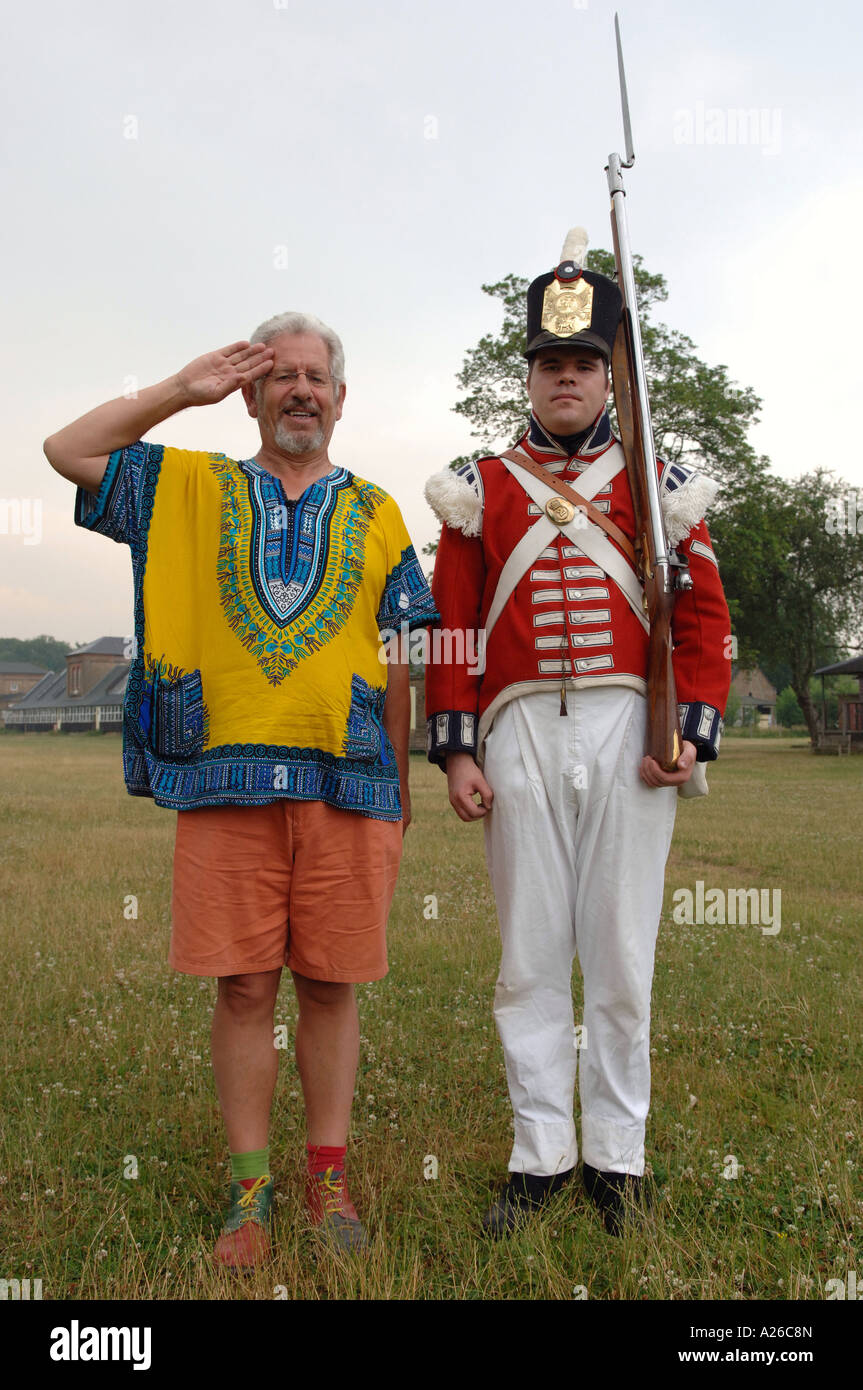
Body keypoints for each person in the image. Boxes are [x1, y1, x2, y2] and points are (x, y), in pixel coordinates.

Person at [44, 312, 437, 1264]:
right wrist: (184, 387)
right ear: (254, 394)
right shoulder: (189, 486)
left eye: (317, 377)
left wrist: (398, 786)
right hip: (225, 785)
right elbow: (68, 449)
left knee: (334, 989)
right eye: (282, 375)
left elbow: (399, 659)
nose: (301, 390)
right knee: (243, 988)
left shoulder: (377, 510)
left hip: (349, 783)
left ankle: (329, 1183)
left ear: (341, 400)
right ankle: (248, 1194)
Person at [424, 234, 731, 1236]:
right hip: (515, 733)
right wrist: (459, 746)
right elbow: (455, 624)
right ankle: (538, 1153)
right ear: (528, 373)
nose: (567, 380)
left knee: (617, 949)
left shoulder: (658, 481)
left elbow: (701, 623)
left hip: (625, 728)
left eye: (584, 364)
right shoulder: (482, 483)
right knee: (527, 954)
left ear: (609, 375)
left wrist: (683, 729)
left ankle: (616, 1155)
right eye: (550, 365)